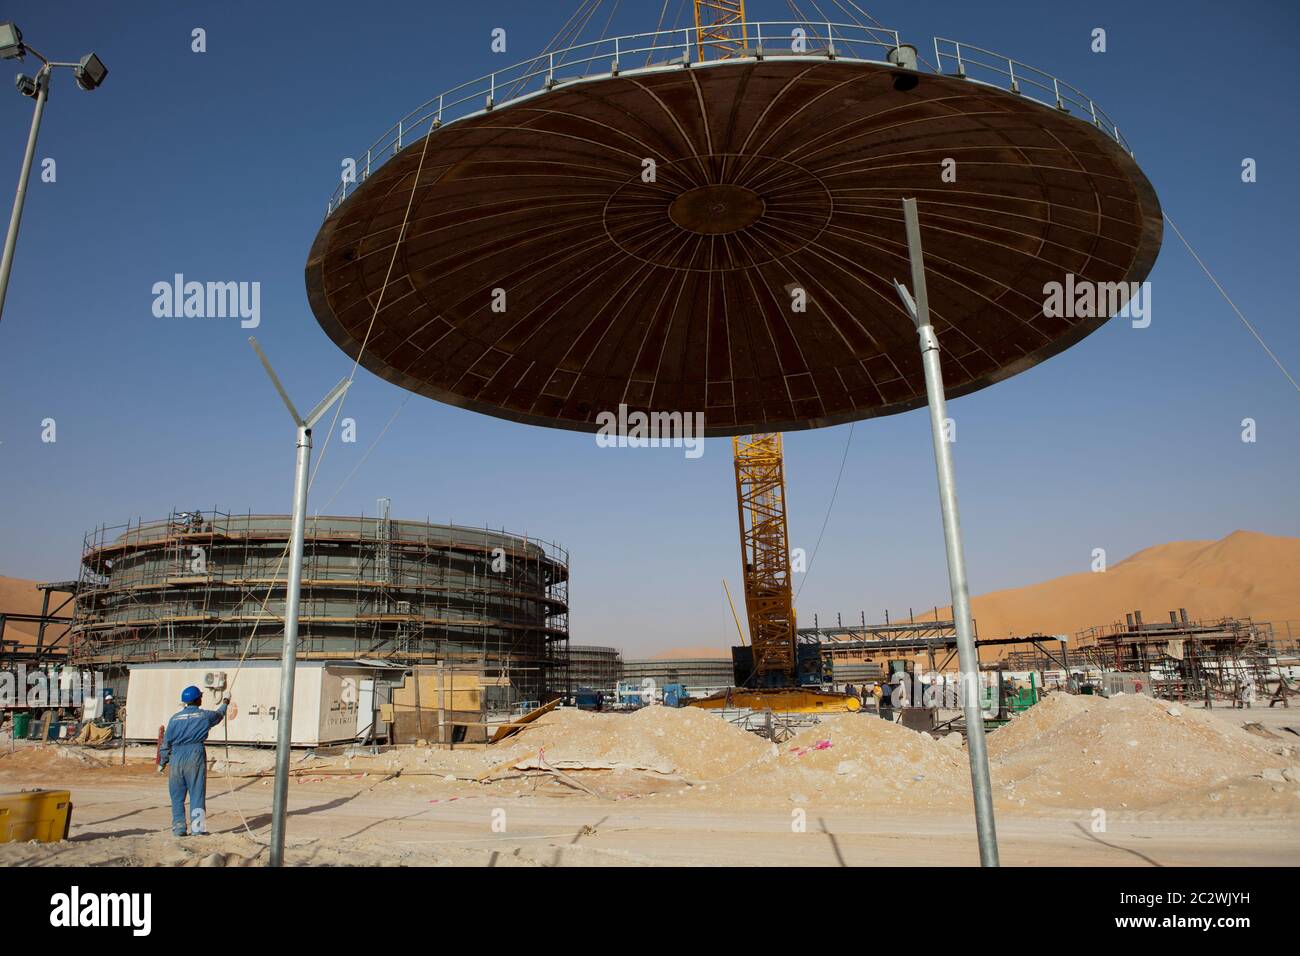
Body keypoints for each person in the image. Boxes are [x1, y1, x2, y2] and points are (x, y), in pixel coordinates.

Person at [158, 685, 229, 837]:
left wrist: (162, 762)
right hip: (195, 755)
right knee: (196, 793)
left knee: (177, 795)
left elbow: (166, 742)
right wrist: (226, 701)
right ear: (198, 699)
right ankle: (197, 829)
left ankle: (179, 828)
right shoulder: (204, 716)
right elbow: (219, 714)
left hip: (176, 757)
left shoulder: (174, 718)